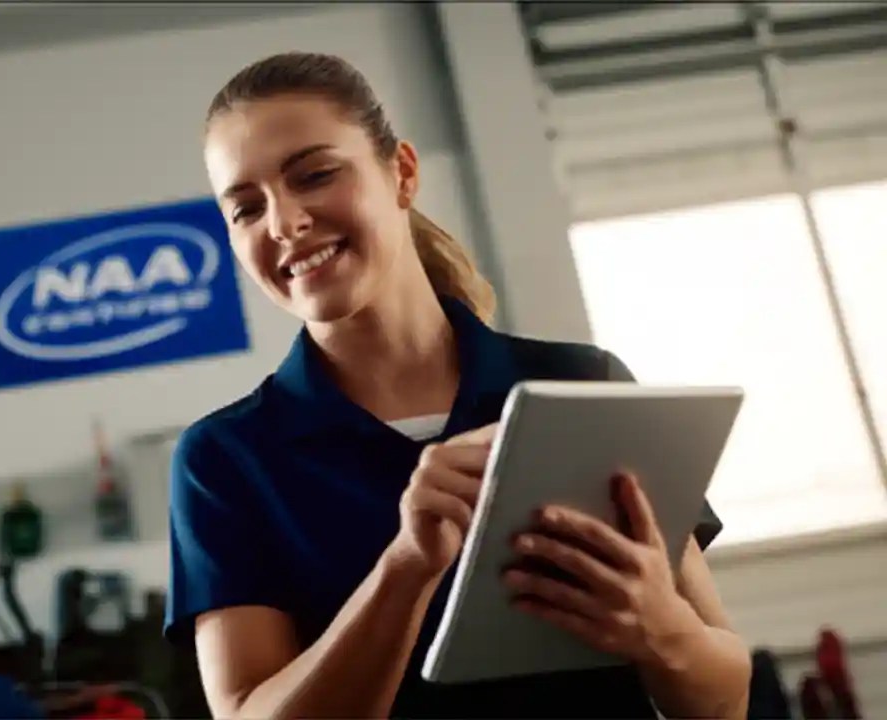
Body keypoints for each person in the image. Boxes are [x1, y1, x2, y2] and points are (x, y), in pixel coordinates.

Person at [164, 52, 753, 719]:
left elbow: (723, 700)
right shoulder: (227, 460)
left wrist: (663, 632)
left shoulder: (582, 384)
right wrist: (408, 565)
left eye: (316, 175)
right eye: (245, 209)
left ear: (402, 173)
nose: (284, 223)